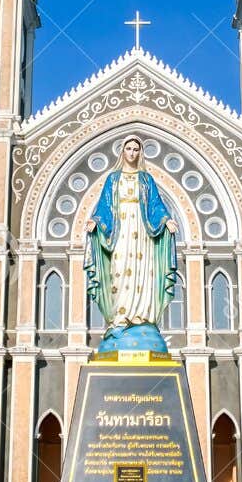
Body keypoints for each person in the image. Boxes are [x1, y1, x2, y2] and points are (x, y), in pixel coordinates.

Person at [85, 134, 178, 353]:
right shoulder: (113, 179)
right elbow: (104, 206)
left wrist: (166, 220)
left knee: (142, 270)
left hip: (142, 231)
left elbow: (155, 205)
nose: (132, 153)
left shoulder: (146, 179)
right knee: (119, 270)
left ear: (140, 153)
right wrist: (96, 220)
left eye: (136, 149)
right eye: (129, 149)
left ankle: (141, 316)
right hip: (121, 230)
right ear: (122, 151)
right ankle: (120, 318)